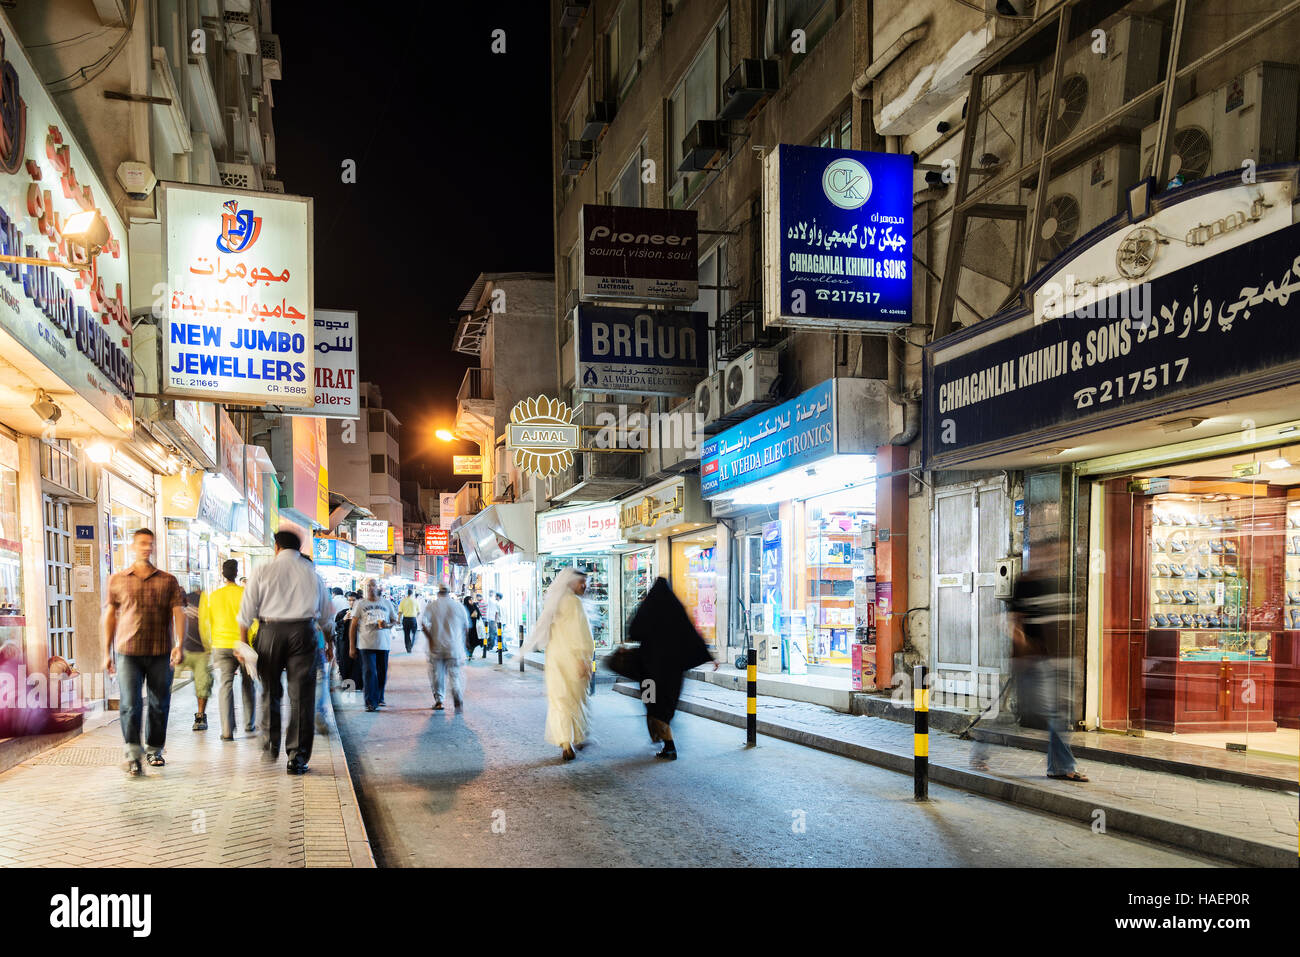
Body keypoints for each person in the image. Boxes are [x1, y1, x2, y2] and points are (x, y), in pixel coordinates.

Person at [237, 529, 334, 775]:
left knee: (269, 689)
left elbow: (246, 611)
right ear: (299, 549)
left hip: (269, 632)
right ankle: (297, 758)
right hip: (303, 633)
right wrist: (330, 643)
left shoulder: (262, 569)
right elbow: (326, 614)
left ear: (276, 546)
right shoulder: (311, 573)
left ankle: (270, 744)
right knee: (302, 697)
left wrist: (243, 644)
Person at [102, 528, 186, 775]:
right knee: (129, 704)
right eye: (141, 543)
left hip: (161, 651)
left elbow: (178, 612)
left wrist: (179, 644)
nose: (146, 547)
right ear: (133, 546)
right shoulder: (117, 579)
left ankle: (154, 749)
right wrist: (106, 652)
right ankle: (133, 754)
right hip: (127, 652)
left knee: (159, 704)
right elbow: (110, 615)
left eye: (150, 543)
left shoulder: (168, 580)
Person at [623, 577, 717, 760]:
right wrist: (709, 656)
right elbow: (692, 636)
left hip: (649, 672)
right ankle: (662, 736)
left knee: (651, 703)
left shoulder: (647, 609)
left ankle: (667, 743)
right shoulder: (677, 610)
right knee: (665, 706)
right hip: (672, 673)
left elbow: (633, 631)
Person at [520, 568, 594, 762]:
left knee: (559, 701)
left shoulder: (552, 603)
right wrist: (584, 659)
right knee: (576, 700)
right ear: (571, 582)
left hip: (554, 658)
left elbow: (543, 634)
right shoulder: (574, 603)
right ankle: (577, 736)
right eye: (581, 582)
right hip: (573, 659)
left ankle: (565, 743)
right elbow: (582, 633)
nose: (584, 586)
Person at [202, 559, 256, 740]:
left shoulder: (214, 596)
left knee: (225, 686)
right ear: (236, 572)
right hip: (243, 644)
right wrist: (251, 642)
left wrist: (210, 643)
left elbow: (208, 622)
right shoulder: (244, 593)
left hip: (221, 645)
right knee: (248, 684)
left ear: (222, 574)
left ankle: (226, 731)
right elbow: (253, 621)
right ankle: (249, 723)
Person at [350, 578, 398, 712]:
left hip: (383, 644)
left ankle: (379, 697)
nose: (370, 588)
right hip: (365, 644)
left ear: (377, 588)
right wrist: (352, 646)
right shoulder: (360, 604)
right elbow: (353, 626)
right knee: (369, 672)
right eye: (368, 586)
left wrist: (386, 625)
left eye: (373, 585)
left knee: (382, 673)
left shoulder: (387, 603)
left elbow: (395, 621)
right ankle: (370, 702)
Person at [420, 585, 468, 711]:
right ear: (449, 592)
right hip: (454, 647)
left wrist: (430, 639)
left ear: (438, 593)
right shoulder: (458, 606)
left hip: (436, 647)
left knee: (437, 675)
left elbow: (423, 624)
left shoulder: (432, 606)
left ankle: (439, 701)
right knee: (455, 674)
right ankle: (457, 696)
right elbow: (466, 627)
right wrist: (463, 643)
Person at [179, 589, 213, 732]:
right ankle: (160, 714)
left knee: (202, 685)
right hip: (182, 650)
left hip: (200, 651)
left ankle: (200, 716)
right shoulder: (182, 602)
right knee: (164, 682)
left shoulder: (207, 601)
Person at [463, 592, 483, 661]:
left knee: (474, 642)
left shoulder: (474, 606)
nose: (472, 601)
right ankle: (469, 654)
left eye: (472, 599)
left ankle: (470, 654)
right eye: (470, 600)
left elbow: (479, 615)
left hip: (475, 628)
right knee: (468, 642)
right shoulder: (464, 608)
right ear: (466, 601)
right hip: (467, 628)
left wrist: (475, 610)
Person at [399, 586, 419, 654]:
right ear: (412, 593)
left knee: (406, 634)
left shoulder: (403, 601)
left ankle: (408, 648)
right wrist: (416, 617)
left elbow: (400, 612)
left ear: (407, 593)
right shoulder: (415, 601)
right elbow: (419, 612)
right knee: (414, 633)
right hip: (413, 619)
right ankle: (411, 645)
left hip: (405, 619)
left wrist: (398, 620)